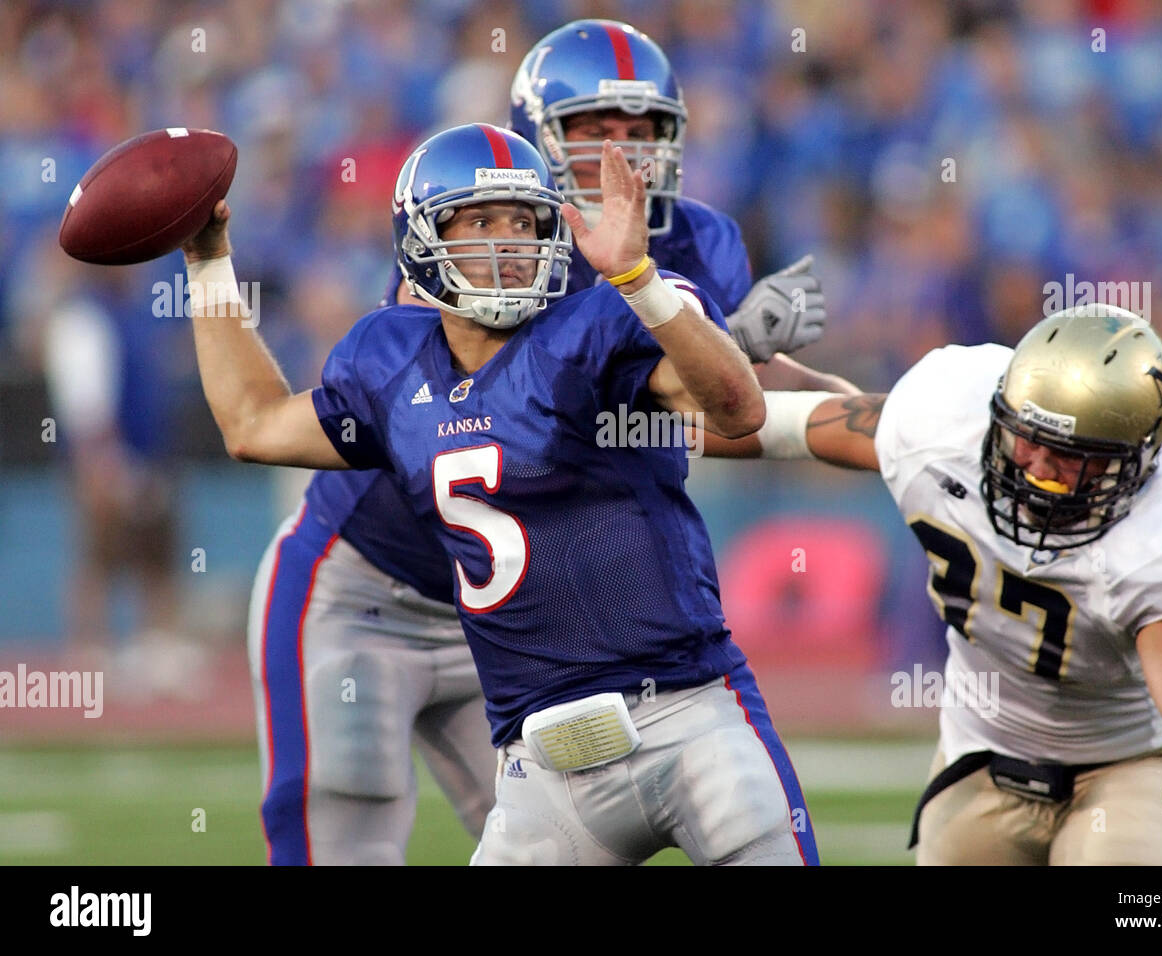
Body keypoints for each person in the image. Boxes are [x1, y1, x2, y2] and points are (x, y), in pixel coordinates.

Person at [251, 18, 843, 866]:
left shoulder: (703, 241)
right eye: (593, 128)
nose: (621, 150)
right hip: (385, 565)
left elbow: (701, 412)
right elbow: (548, 423)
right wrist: (718, 348)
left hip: (527, 616)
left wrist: (855, 401)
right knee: (345, 827)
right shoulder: (490, 243)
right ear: (530, 143)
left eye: (643, 130)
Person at [710, 304, 1162, 864]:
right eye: (1027, 438)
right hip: (981, 753)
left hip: (1126, 763)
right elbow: (779, 424)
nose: (1036, 468)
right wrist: (642, 435)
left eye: (1068, 456)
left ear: (1137, 460)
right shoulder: (946, 423)